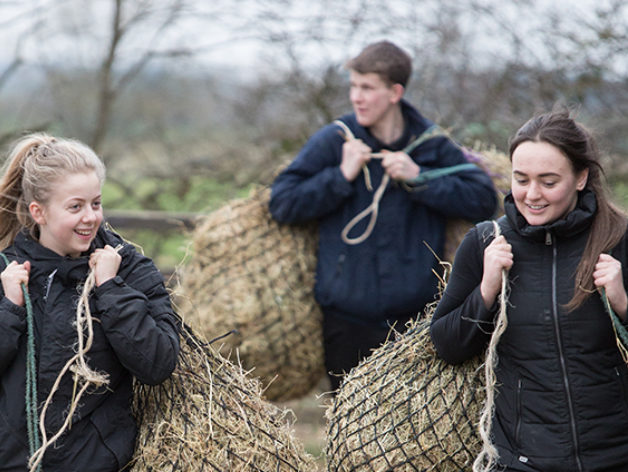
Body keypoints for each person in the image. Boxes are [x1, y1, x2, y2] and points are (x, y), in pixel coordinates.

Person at [0, 133, 181, 472]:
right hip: (7, 465)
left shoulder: (129, 269)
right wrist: (8, 311)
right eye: (75, 207)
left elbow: (158, 364)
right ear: (39, 212)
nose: (91, 217)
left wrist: (110, 288)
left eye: (96, 203)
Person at [269, 40, 498, 390]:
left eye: (367, 88)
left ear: (394, 92)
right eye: (353, 86)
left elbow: (483, 200)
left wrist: (418, 178)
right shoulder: (336, 140)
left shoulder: (429, 144)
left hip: (415, 319)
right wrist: (340, 176)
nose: (356, 97)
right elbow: (282, 203)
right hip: (345, 319)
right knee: (348, 431)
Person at [430, 110, 628, 471]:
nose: (532, 195)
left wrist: (623, 304)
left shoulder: (620, 238)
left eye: (549, 182)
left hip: (616, 457)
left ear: (581, 177)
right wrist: (487, 290)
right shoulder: (485, 242)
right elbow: (446, 345)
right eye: (521, 179)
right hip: (521, 461)